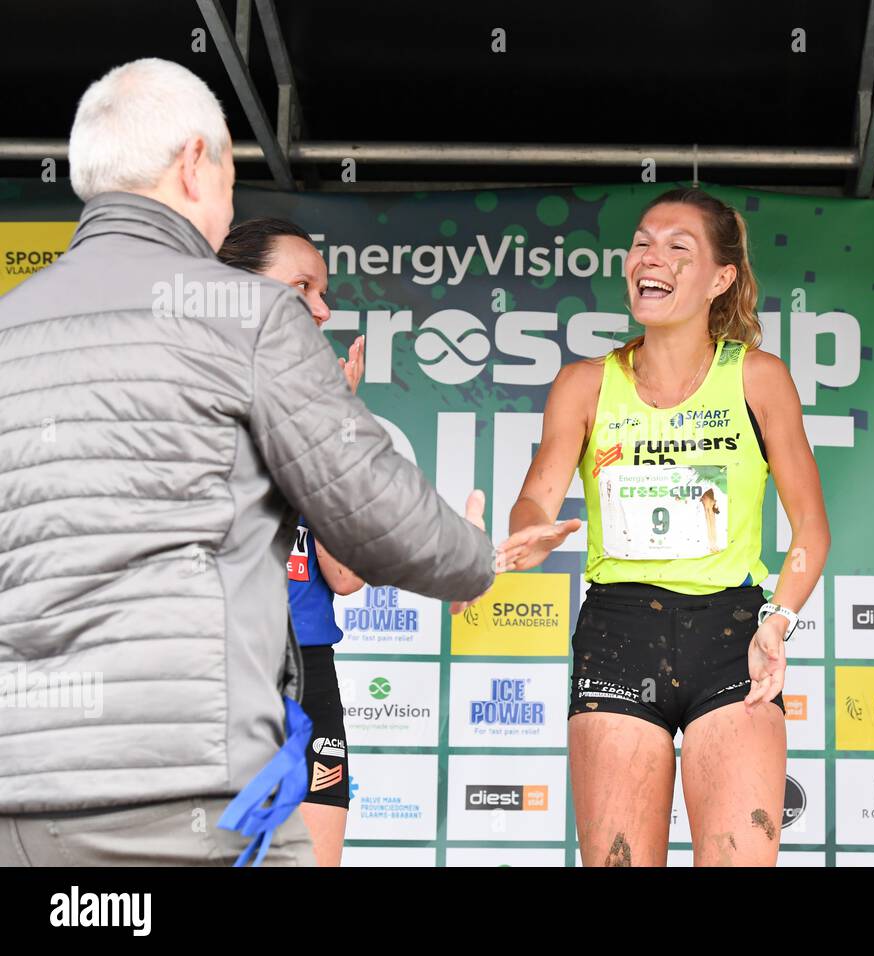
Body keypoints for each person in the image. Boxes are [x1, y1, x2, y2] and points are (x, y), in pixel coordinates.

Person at [0, 59, 496, 866]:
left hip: (17, 798)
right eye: (231, 171)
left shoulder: (8, 325)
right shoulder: (248, 314)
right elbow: (382, 517)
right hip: (185, 797)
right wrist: (476, 558)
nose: (229, 204)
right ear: (195, 162)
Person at [496, 187, 830, 866]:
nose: (653, 257)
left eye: (680, 248)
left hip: (734, 636)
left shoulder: (759, 380)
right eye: (644, 241)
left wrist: (780, 620)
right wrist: (532, 530)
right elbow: (532, 503)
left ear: (720, 278)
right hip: (619, 634)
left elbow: (811, 530)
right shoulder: (584, 384)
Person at [218, 217, 364, 867]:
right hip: (217, 668)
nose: (323, 309)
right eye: (302, 288)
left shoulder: (325, 418)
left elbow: (346, 576)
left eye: (323, 291)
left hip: (310, 666)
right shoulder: (185, 400)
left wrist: (331, 434)